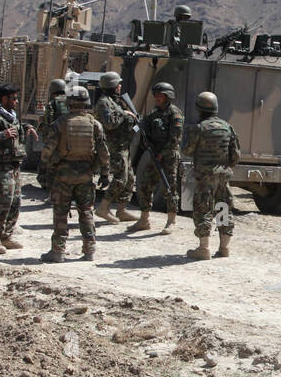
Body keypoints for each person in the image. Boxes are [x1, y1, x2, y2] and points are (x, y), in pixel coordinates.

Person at [39, 86, 109, 262]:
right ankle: (89, 249)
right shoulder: (95, 124)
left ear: (69, 102)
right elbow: (103, 152)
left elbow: (48, 149)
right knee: (86, 212)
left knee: (61, 212)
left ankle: (58, 251)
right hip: (86, 175)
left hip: (63, 175)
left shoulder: (61, 123)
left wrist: (45, 167)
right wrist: (105, 173)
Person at [0, 84, 37, 254]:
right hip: (1, 165)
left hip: (14, 165)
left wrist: (25, 128)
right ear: (4, 99)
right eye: (14, 98)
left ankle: (6, 236)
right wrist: (3, 135)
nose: (16, 101)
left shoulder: (11, 116)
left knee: (15, 202)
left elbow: (13, 130)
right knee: (3, 201)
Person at [182, 91, 241, 260]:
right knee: (223, 207)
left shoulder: (199, 128)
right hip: (223, 176)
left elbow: (187, 151)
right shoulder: (227, 127)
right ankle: (224, 248)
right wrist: (225, 167)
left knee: (203, 208)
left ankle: (203, 248)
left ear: (199, 109)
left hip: (205, 176)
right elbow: (235, 155)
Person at [129, 82, 184, 234]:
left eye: (160, 95)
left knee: (170, 187)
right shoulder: (153, 114)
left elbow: (175, 139)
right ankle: (144, 219)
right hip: (154, 154)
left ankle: (171, 220)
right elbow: (140, 128)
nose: (157, 98)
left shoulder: (175, 114)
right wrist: (134, 123)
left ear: (168, 97)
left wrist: (162, 153)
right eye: (156, 95)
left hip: (168, 155)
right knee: (145, 185)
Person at [93, 71, 138, 223]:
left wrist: (138, 125)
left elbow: (130, 123)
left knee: (130, 179)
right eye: (118, 84)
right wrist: (124, 114)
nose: (120, 86)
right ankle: (103, 207)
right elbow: (110, 123)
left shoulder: (117, 101)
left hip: (124, 145)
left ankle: (122, 210)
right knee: (120, 179)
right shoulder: (104, 102)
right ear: (113, 86)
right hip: (113, 146)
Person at [36, 78, 70, 190]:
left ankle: (47, 185)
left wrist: (47, 139)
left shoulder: (53, 102)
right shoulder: (71, 101)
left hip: (56, 137)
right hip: (70, 137)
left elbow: (48, 122)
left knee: (49, 161)